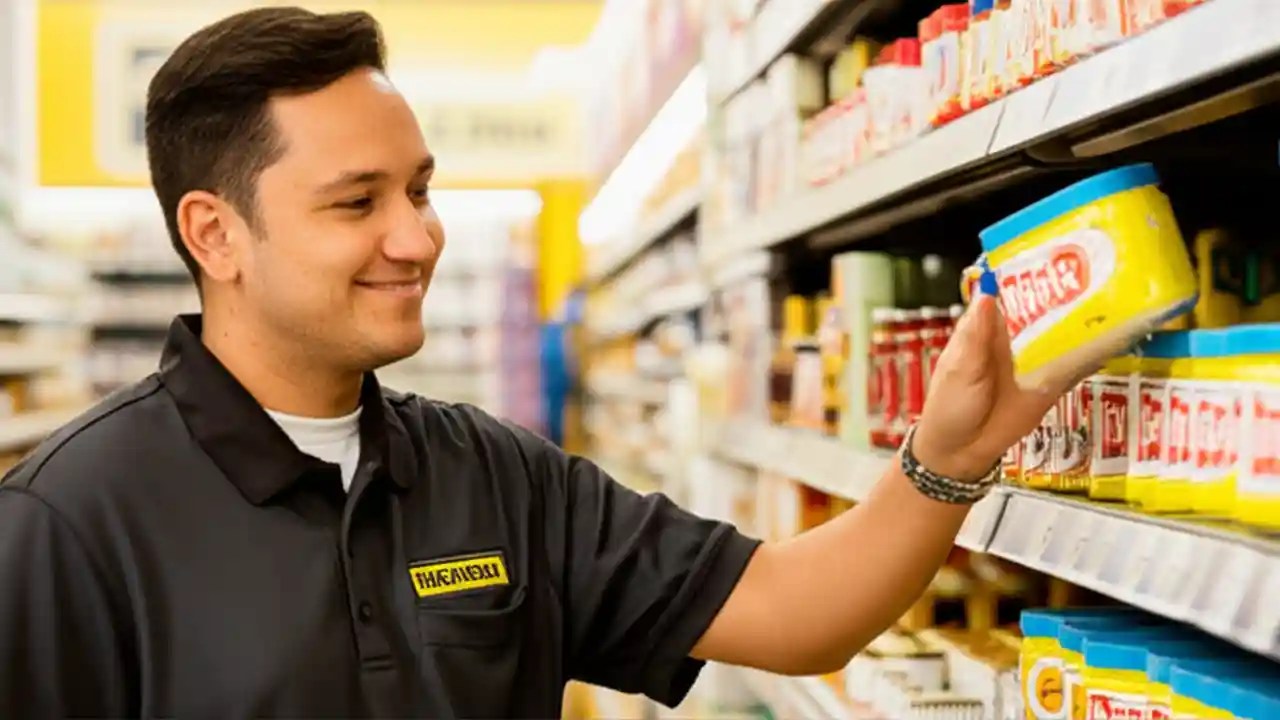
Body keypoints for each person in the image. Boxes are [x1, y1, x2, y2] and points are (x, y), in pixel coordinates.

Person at [0, 7, 1066, 718]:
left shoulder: (493, 475)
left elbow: (792, 613)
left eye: (418, 190)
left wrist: (948, 452)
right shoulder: (70, 523)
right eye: (354, 202)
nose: (416, 238)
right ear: (214, 234)